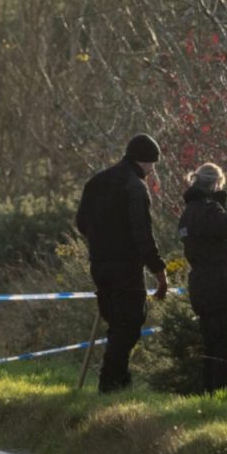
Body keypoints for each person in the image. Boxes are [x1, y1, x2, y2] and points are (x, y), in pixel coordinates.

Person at [76, 133, 169, 392]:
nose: (152, 170)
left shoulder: (95, 182)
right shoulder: (134, 187)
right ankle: (110, 383)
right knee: (129, 324)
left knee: (116, 324)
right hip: (126, 267)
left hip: (99, 265)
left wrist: (101, 241)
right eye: (152, 164)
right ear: (144, 160)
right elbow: (143, 235)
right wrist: (159, 272)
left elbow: (81, 224)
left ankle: (120, 381)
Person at [177, 162, 227, 392]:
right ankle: (223, 394)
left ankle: (209, 394)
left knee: (211, 346)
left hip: (201, 287)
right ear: (216, 183)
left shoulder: (188, 213)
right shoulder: (208, 209)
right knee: (225, 348)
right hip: (218, 288)